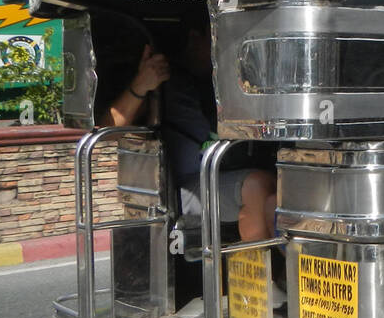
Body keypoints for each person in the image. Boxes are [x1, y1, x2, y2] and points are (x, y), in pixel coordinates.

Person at [109, 19, 276, 243]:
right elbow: (109, 131)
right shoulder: (164, 82)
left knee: (281, 194)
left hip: (228, 168)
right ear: (194, 38)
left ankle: (286, 271)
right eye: (217, 38)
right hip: (186, 185)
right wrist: (140, 86)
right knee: (256, 186)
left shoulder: (226, 80)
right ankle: (254, 273)